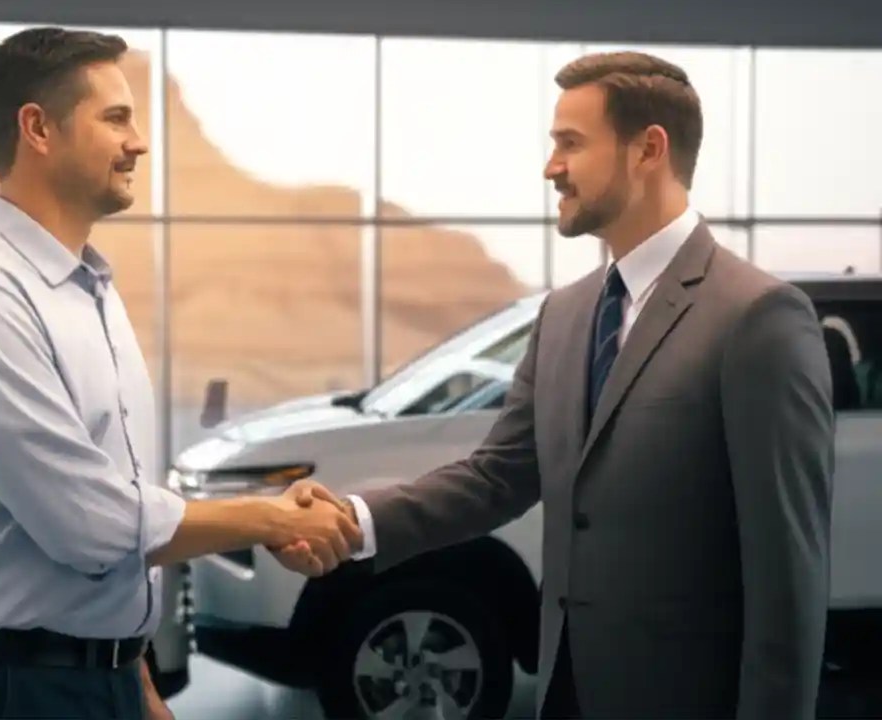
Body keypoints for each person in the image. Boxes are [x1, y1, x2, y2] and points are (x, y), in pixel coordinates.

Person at [281, 51, 834, 719]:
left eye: (570, 144)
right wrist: (354, 521)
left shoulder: (758, 318)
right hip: (567, 694)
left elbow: (788, 581)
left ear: (647, 150)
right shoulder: (566, 314)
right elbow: (497, 476)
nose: (551, 167)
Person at [0, 27, 361, 720]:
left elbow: (117, 500)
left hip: (90, 677)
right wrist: (265, 517)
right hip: (8, 692)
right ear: (37, 129)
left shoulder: (89, 290)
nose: (139, 141)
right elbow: (89, 525)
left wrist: (130, 666)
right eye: (115, 118)